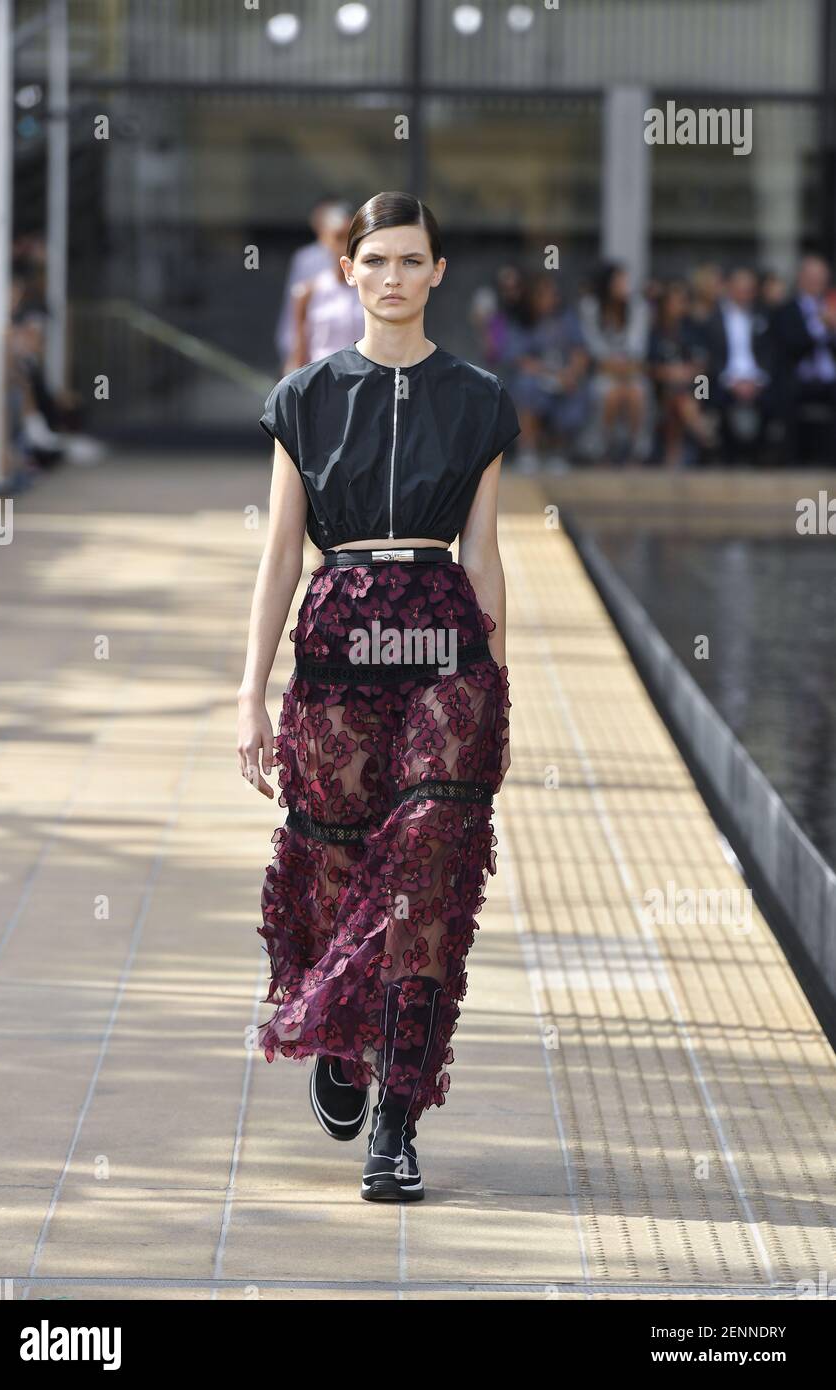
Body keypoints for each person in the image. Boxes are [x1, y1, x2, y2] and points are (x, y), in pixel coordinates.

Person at [240, 191, 519, 1203]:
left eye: (412, 260)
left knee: (431, 871)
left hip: (443, 640)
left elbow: (484, 554)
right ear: (345, 271)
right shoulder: (303, 397)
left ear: (437, 272)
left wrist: (499, 681)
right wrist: (247, 694)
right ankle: (343, 1036)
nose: (394, 277)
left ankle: (396, 1121)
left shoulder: (481, 397)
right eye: (377, 261)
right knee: (332, 863)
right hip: (337, 641)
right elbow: (277, 555)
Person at [496, 271, 590, 472]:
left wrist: (571, 373)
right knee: (525, 386)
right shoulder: (520, 318)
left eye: (553, 294)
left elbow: (580, 350)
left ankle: (558, 452)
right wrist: (551, 374)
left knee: (575, 392)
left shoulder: (567, 318)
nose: (550, 299)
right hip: (535, 377)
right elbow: (519, 358)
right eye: (544, 294)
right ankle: (528, 451)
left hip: (564, 377)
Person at [578, 260, 652, 464]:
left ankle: (636, 453)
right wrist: (612, 367)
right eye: (620, 281)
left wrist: (625, 368)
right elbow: (594, 347)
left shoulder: (638, 307)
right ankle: (601, 450)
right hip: (602, 372)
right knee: (609, 394)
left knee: (637, 393)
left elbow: (637, 347)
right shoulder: (590, 307)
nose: (625, 285)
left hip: (631, 371)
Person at [702, 265, 777, 464]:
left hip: (757, 381)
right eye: (741, 288)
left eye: (750, 289)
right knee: (703, 390)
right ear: (729, 288)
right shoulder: (713, 318)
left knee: (779, 395)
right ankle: (720, 456)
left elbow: (771, 353)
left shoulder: (764, 315)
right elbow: (709, 356)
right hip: (721, 380)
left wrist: (758, 380)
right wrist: (730, 381)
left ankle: (763, 457)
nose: (746, 294)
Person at [769, 253, 836, 465]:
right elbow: (792, 346)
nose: (818, 282)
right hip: (797, 377)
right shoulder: (786, 310)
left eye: (822, 277)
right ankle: (792, 462)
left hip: (829, 379)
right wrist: (820, 327)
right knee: (787, 395)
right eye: (813, 277)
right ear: (801, 278)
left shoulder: (831, 307)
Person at [647, 279, 717, 469]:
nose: (680, 305)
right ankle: (702, 429)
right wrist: (669, 373)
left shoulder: (692, 328)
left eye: (683, 301)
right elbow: (648, 366)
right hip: (661, 388)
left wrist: (688, 372)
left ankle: (674, 456)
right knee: (678, 399)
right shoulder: (655, 332)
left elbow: (702, 362)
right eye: (675, 301)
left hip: (696, 386)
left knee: (692, 391)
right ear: (665, 304)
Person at [274, 195, 351, 368]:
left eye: (349, 237)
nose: (344, 246)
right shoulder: (307, 272)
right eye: (339, 238)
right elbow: (293, 318)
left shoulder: (370, 287)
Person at [283, 207, 364, 370]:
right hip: (322, 383)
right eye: (339, 238)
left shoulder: (374, 290)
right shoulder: (307, 293)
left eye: (352, 239)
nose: (346, 246)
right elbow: (298, 354)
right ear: (325, 241)